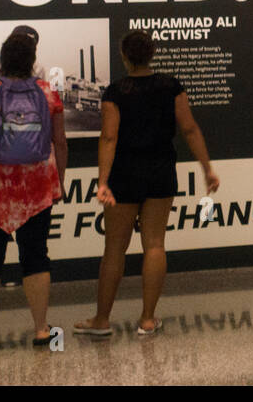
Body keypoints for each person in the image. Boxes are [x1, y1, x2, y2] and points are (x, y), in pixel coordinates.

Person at [73, 31, 219, 339]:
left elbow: (109, 137)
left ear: (124, 56)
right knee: (154, 244)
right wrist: (207, 168)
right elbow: (190, 128)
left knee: (114, 248)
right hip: (160, 172)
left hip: (124, 174)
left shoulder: (116, 91)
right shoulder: (171, 86)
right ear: (152, 54)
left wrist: (102, 182)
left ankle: (101, 320)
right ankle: (148, 320)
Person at [0, 32, 67, 351]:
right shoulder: (48, 94)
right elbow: (59, 143)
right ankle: (40, 330)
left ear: (2, 59)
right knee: (35, 255)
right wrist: (58, 182)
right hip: (36, 187)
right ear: (32, 61)